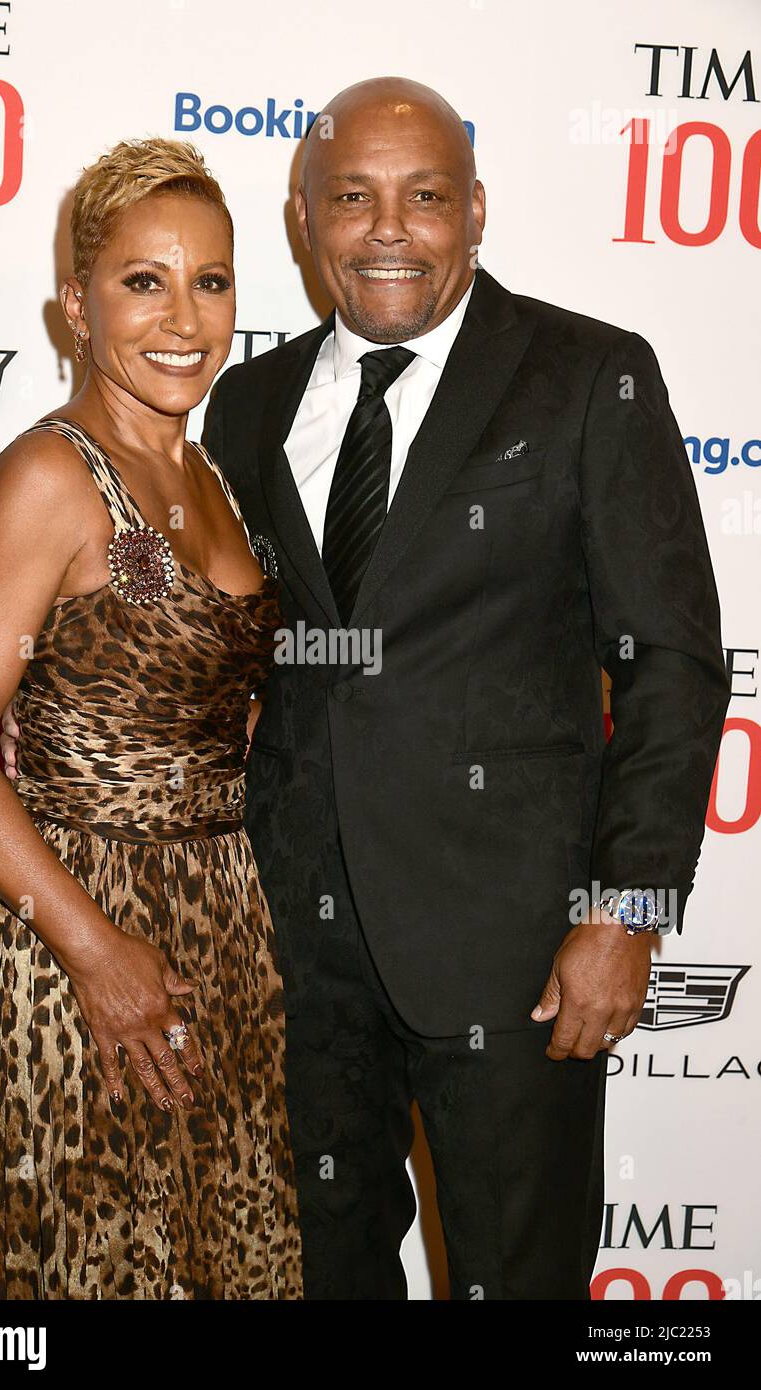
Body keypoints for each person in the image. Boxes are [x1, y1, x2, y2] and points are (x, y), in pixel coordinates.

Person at [194, 77, 730, 1300]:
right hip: (294, 947)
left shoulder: (588, 374)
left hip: (517, 949)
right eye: (352, 199)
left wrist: (622, 912)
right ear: (304, 218)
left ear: (474, 210)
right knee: (317, 1272)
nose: (388, 231)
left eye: (423, 197)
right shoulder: (248, 400)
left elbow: (670, 664)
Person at [0, 138, 302, 1300]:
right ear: (75, 306)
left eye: (210, 281)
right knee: (82, 1264)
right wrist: (92, 949)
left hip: (219, 929)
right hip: (74, 938)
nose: (183, 316)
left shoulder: (217, 477)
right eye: (142, 280)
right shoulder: (50, 477)